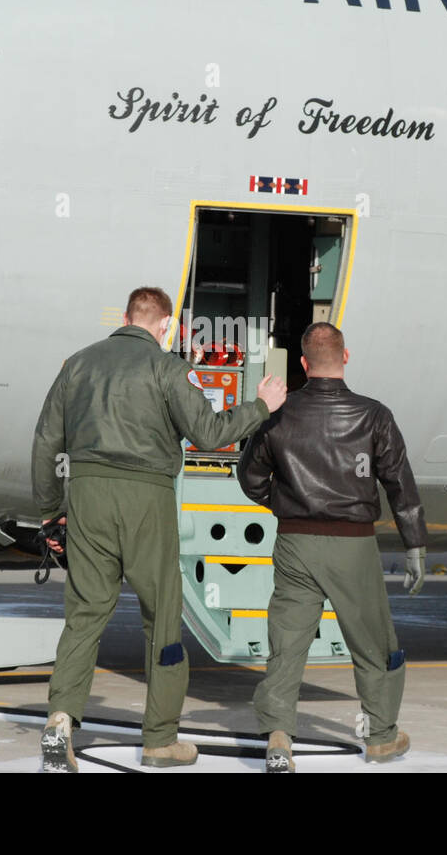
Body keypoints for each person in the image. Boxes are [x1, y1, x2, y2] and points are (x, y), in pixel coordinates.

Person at [31, 287, 287, 772]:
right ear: (165, 325)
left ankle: (60, 721)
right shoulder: (169, 368)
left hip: (86, 496)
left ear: (125, 316)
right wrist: (259, 407)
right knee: (162, 618)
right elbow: (210, 434)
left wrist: (49, 512)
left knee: (85, 614)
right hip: (147, 498)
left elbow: (45, 442)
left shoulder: (77, 365)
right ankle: (160, 740)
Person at [237, 322, 427, 772]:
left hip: (295, 543)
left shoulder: (277, 415)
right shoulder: (374, 415)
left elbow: (249, 477)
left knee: (287, 641)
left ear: (303, 364)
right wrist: (414, 544)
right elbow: (400, 483)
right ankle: (381, 735)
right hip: (354, 545)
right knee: (374, 643)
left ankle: (280, 737)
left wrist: (283, 502)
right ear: (346, 356)